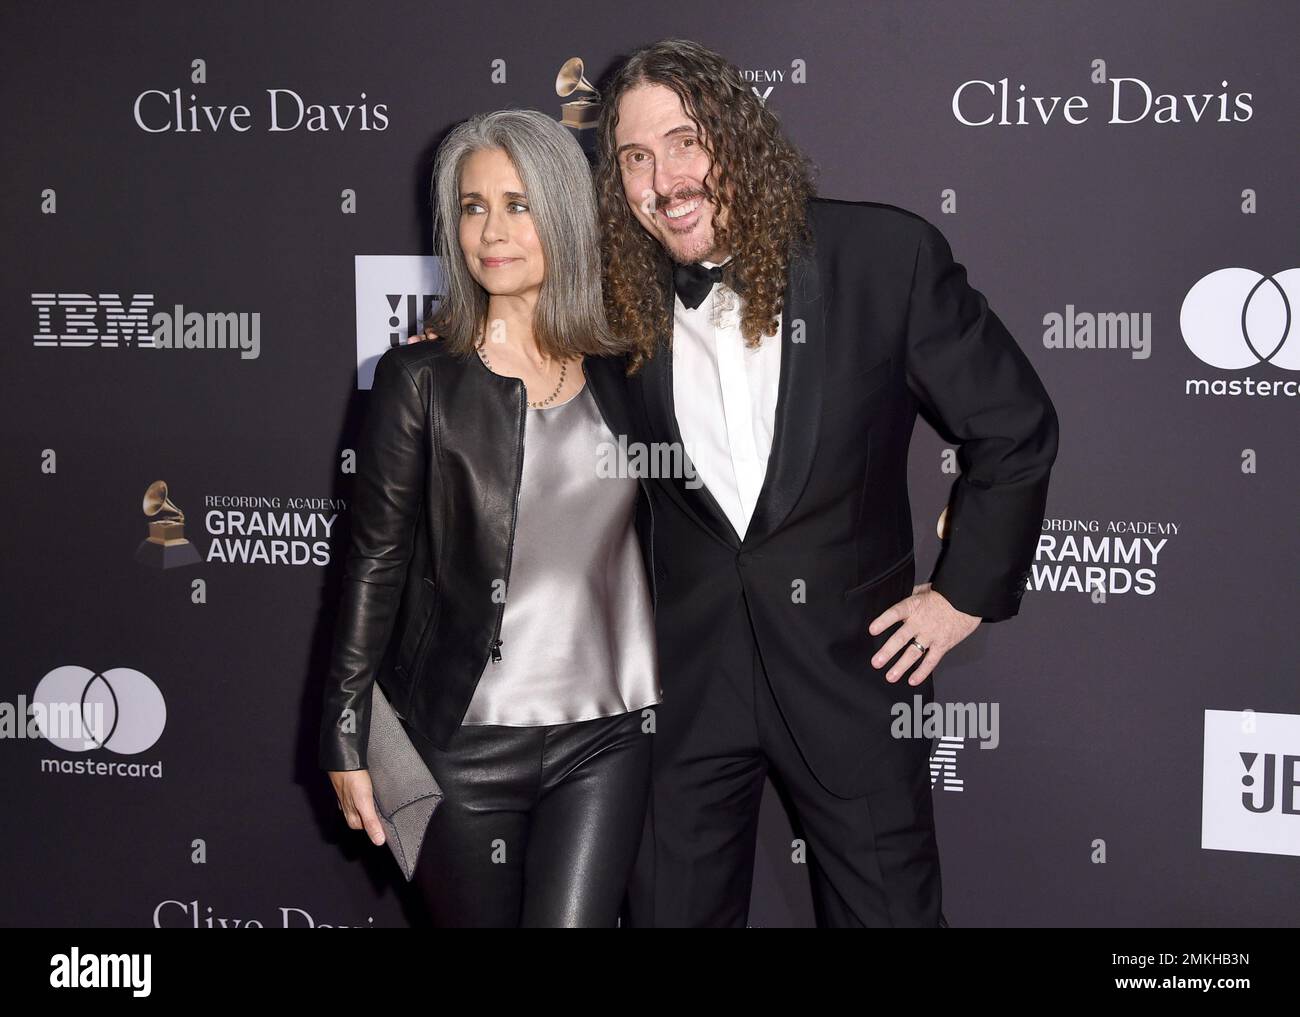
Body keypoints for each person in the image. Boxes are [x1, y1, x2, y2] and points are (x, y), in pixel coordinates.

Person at [592, 39, 1060, 927]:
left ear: (739, 137)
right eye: (636, 159)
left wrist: (963, 596)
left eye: (686, 140)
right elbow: (514, 363)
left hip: (856, 672)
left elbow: (1015, 426)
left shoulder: (885, 257)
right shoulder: (613, 302)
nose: (665, 178)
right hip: (683, 689)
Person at [319, 108, 661, 927]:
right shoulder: (420, 377)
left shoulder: (629, 365)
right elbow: (374, 561)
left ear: (565, 215)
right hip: (461, 742)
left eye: (519, 204)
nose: (492, 230)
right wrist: (344, 729)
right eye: (473, 207)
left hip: (608, 736)